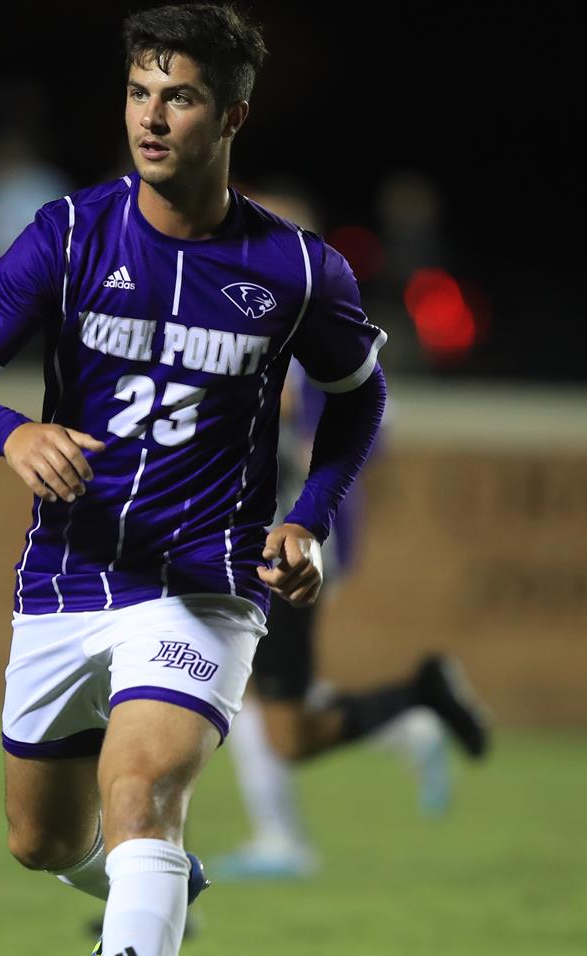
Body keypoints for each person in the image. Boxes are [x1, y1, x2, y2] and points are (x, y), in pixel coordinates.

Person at [0, 3, 388, 956]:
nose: (151, 117)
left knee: (143, 791)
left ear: (231, 117)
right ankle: (152, 891)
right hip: (65, 579)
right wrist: (12, 434)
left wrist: (307, 517)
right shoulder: (70, 236)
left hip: (204, 585)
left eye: (178, 96)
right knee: (39, 840)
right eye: (137, 93)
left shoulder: (294, 270)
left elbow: (357, 397)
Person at [218, 186, 492, 880]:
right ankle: (412, 712)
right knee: (267, 710)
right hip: (258, 537)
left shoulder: (307, 323)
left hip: (285, 542)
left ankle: (279, 838)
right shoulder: (245, 311)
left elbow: (367, 424)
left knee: (246, 697)